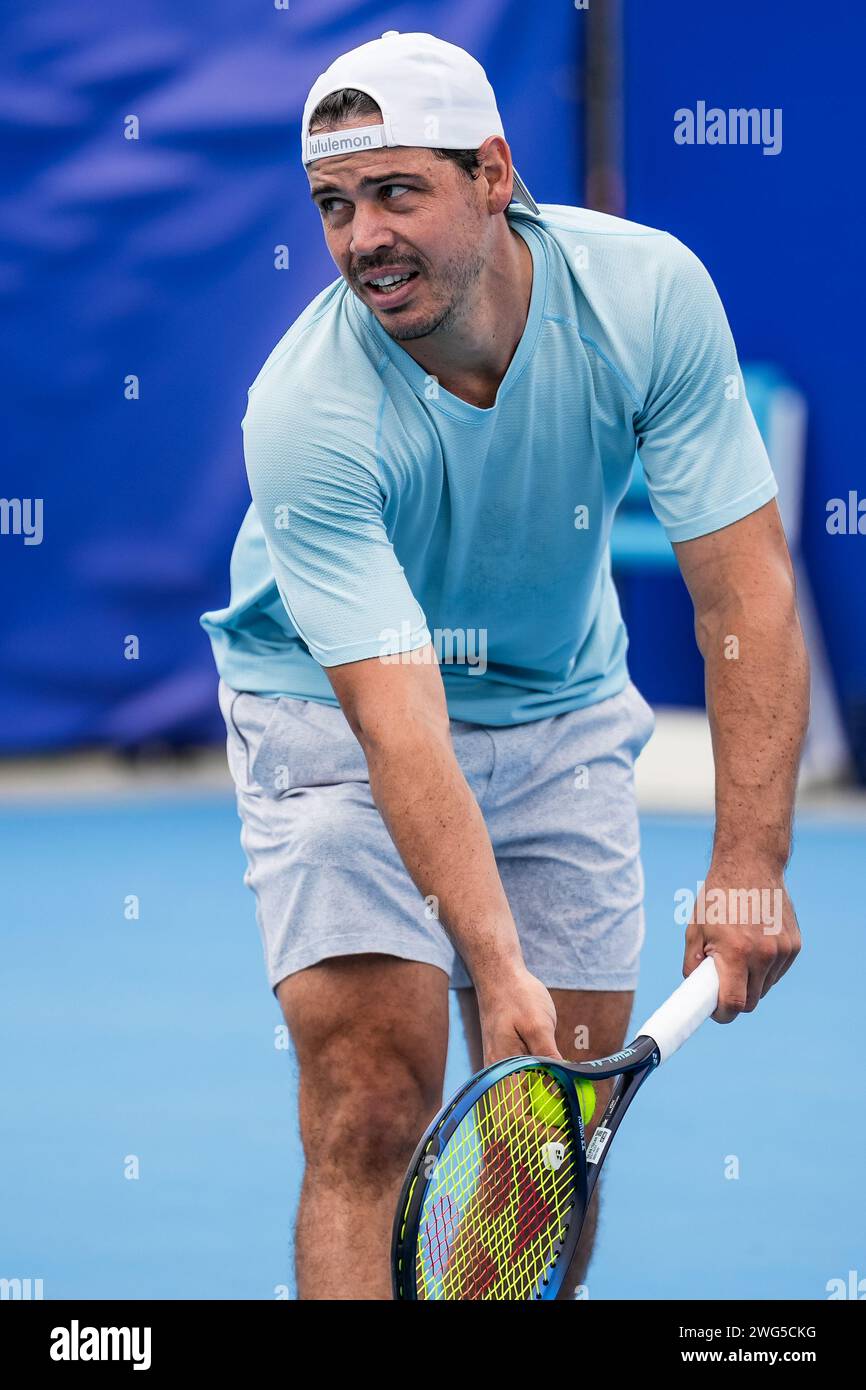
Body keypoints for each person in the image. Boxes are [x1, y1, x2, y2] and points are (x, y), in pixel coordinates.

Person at [200, 31, 807, 1300]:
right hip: (327, 712)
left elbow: (741, 588)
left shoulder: (644, 296)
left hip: (560, 707)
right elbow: (397, 715)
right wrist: (494, 955)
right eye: (331, 204)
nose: (360, 235)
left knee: (550, 1140)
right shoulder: (304, 409)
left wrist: (748, 862)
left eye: (395, 191)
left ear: (493, 175)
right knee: (372, 1098)